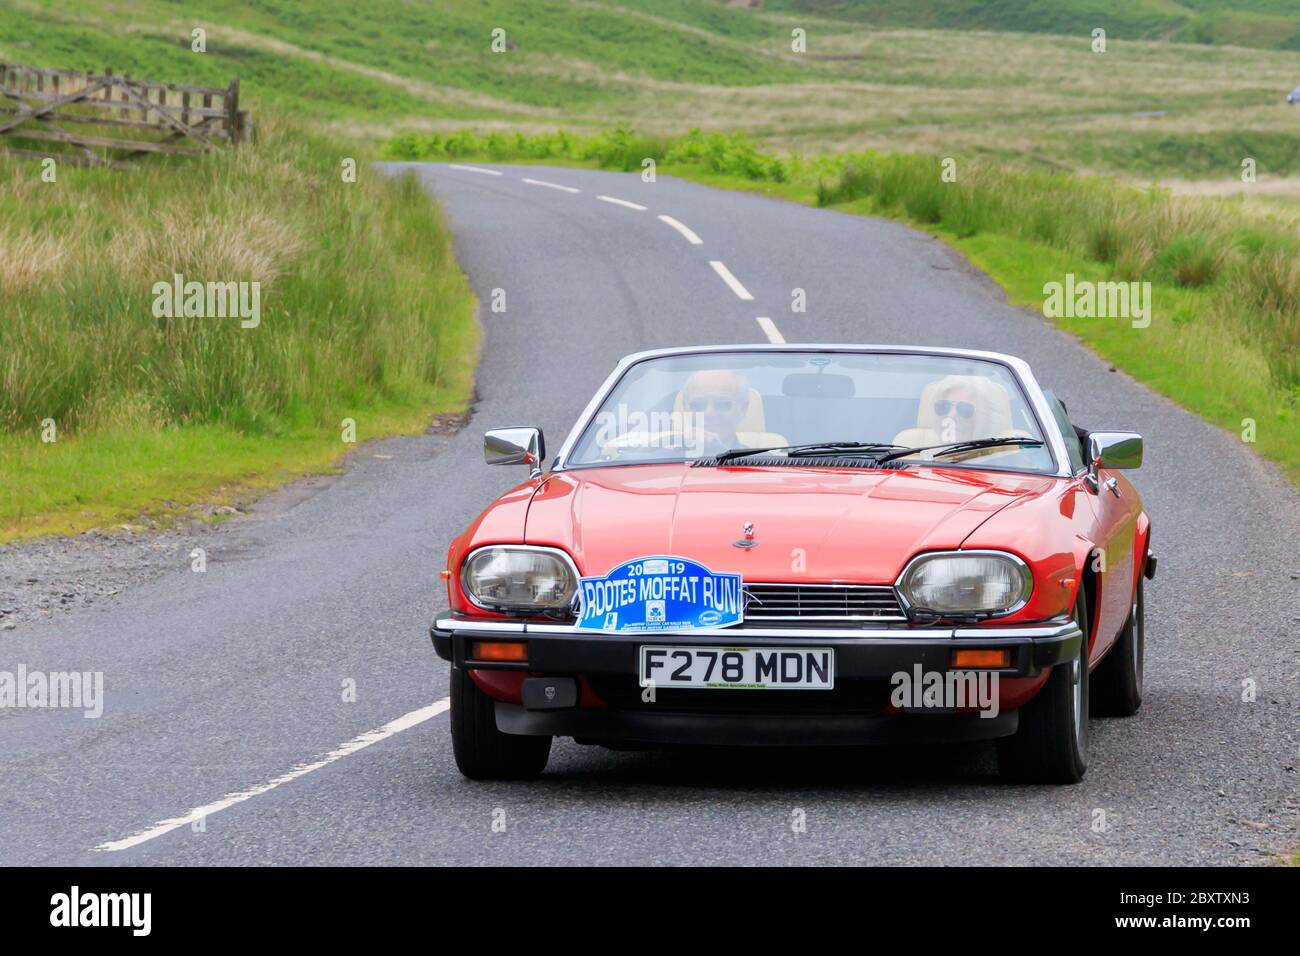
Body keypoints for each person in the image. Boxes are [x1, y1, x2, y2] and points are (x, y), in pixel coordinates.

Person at [680, 369, 750, 451]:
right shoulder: (664, 458)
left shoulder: (761, 462)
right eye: (698, 404)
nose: (709, 413)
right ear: (685, 408)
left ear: (742, 409)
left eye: (722, 404)